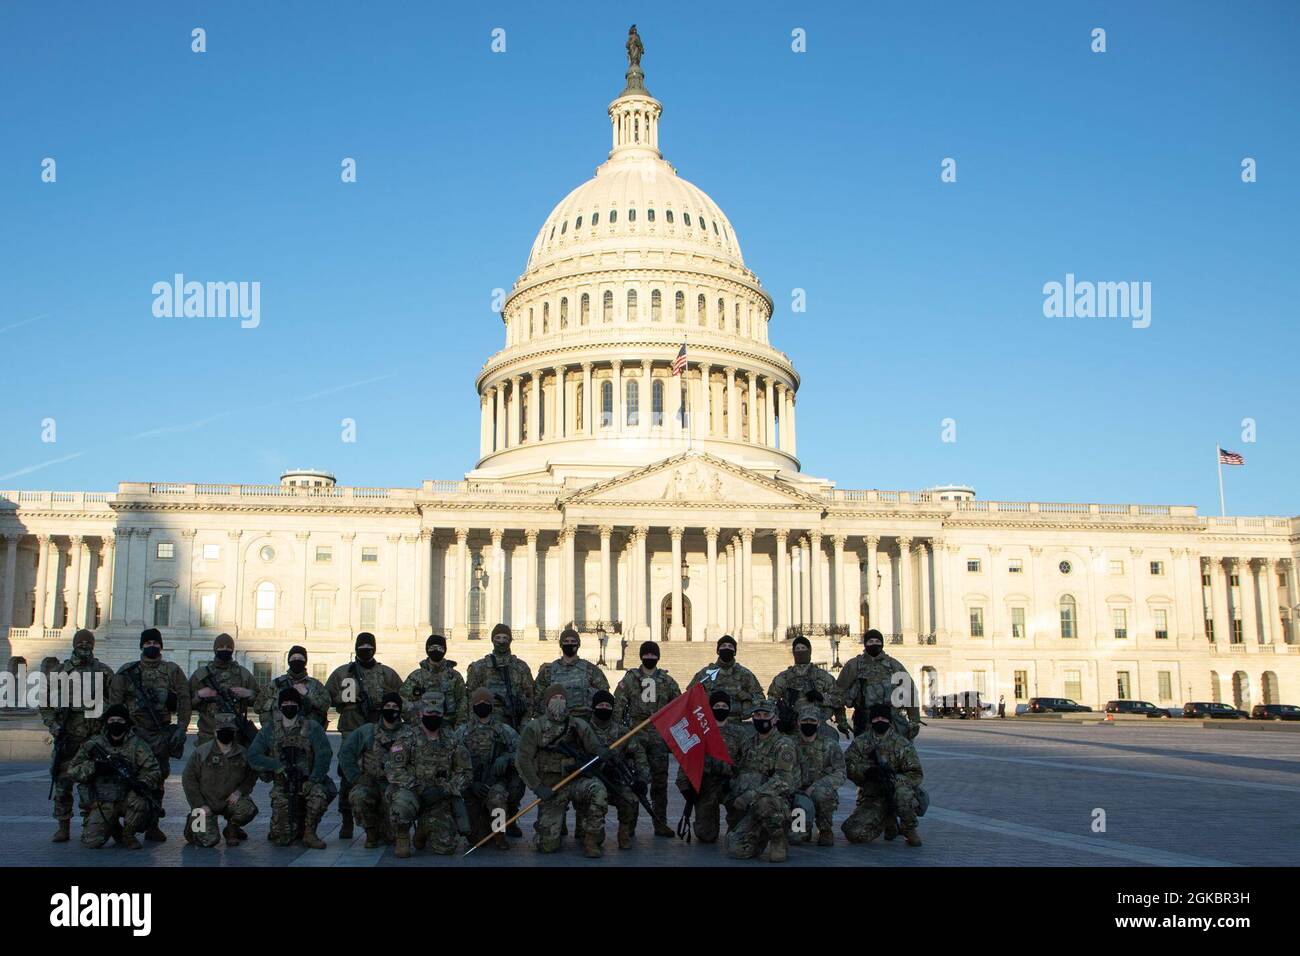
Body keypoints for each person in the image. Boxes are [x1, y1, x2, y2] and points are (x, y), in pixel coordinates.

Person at [108, 627, 190, 841]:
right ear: (141, 646)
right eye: (148, 643)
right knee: (128, 778)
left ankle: (153, 824)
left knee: (158, 779)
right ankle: (125, 824)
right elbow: (114, 705)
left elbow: (184, 698)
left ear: (160, 646)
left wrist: (182, 727)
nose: (151, 646)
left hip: (159, 734)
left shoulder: (171, 670)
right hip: (133, 735)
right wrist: (117, 732)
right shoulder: (127, 672)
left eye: (155, 643)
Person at [515, 684, 610, 857]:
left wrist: (602, 752)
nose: (558, 701)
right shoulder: (534, 728)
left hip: (576, 781)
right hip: (551, 788)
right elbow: (522, 760)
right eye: (554, 698)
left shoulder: (578, 725)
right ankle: (548, 828)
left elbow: (593, 747)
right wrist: (537, 787)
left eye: (562, 698)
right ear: (547, 702)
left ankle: (591, 838)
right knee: (547, 846)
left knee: (598, 790)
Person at [325, 632, 402, 839]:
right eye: (362, 646)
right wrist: (346, 700)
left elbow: (401, 697)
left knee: (382, 772)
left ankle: (382, 817)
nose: (366, 649)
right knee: (347, 774)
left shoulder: (387, 674)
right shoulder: (343, 673)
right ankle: (346, 819)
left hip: (379, 732)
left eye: (370, 645)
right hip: (350, 731)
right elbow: (326, 697)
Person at [41, 628, 114, 843]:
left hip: (92, 740)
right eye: (80, 642)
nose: (84, 645)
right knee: (62, 786)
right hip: (68, 738)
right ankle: (63, 826)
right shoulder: (60, 672)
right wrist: (54, 726)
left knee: (90, 787)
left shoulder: (103, 671)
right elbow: (46, 704)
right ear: (74, 645)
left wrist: (102, 717)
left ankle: (88, 826)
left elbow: (116, 701)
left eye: (88, 642)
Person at [465, 623, 534, 837]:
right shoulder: (479, 667)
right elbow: (470, 701)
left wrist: (522, 730)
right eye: (498, 637)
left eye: (505, 637)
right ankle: (486, 821)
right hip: (482, 734)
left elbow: (530, 701)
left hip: (510, 734)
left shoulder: (521, 668)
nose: (502, 641)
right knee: (483, 778)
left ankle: (509, 819)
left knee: (514, 781)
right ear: (492, 639)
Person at [385, 693, 472, 858]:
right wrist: (418, 787)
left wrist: (445, 789)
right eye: (429, 713)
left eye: (437, 714)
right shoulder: (407, 738)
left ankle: (424, 828)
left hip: (439, 797)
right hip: (411, 792)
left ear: (442, 714)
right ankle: (403, 836)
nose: (433, 717)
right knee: (400, 804)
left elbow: (465, 773)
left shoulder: (451, 739)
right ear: (420, 714)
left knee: (447, 847)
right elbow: (393, 770)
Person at [247, 687, 335, 849]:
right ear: (280, 707)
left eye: (293, 702)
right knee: (282, 839)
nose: (289, 705)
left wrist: (313, 780)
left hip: (309, 781)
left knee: (318, 796)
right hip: (283, 785)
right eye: (285, 703)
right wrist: (277, 766)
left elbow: (324, 755)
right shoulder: (270, 729)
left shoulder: (312, 727)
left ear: (299, 706)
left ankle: (310, 832)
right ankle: (287, 828)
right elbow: (253, 755)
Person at [66, 703, 162, 849]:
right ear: (106, 722)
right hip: (102, 800)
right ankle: (113, 826)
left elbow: (154, 770)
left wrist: (143, 783)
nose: (115, 723)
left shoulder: (137, 745)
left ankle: (128, 834)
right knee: (92, 841)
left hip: (127, 798)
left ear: (127, 723)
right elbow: (72, 771)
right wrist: (95, 767)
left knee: (141, 798)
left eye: (120, 720)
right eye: (111, 720)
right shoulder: (93, 744)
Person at [612, 640, 680, 836]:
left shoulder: (667, 681)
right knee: (634, 780)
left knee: (660, 783)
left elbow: (678, 706)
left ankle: (660, 823)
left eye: (653, 655)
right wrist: (619, 731)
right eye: (647, 654)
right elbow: (618, 704)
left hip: (658, 736)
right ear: (641, 656)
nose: (650, 658)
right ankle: (629, 825)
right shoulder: (631, 678)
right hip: (636, 734)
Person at [725, 699, 797, 862]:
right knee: (736, 848)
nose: (761, 718)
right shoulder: (748, 743)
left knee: (765, 803)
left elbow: (783, 779)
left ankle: (778, 837)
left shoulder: (784, 745)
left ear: (775, 719)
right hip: (749, 804)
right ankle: (760, 833)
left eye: (766, 715)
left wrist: (752, 795)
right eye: (757, 715)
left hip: (774, 802)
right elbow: (739, 770)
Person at [842, 703, 925, 847]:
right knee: (853, 833)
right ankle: (886, 820)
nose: (880, 720)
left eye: (883, 718)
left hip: (898, 792)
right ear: (871, 720)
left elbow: (916, 773)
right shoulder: (861, 742)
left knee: (902, 794)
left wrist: (895, 780)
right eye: (876, 718)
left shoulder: (902, 744)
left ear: (890, 720)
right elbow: (847, 765)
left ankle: (909, 828)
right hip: (873, 796)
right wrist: (866, 771)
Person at [675, 689, 751, 843]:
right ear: (710, 708)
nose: (721, 708)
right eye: (717, 705)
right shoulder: (699, 731)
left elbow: (747, 763)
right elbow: (688, 760)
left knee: (739, 815)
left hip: (731, 784)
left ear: (729, 708)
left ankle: (736, 830)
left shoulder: (740, 733)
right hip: (706, 785)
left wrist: (743, 786)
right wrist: (686, 788)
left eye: (724, 705)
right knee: (705, 835)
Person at [337, 692, 409, 848]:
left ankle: (397, 830)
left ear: (400, 710)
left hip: (396, 786)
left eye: (395, 706)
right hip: (371, 783)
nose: (391, 709)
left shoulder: (408, 733)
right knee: (358, 796)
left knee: (392, 837)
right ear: (382, 709)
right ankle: (370, 832)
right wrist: (356, 777)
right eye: (387, 706)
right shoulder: (367, 731)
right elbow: (345, 753)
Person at [456, 687, 521, 850]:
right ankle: (484, 823)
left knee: (497, 799)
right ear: (473, 706)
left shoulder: (505, 731)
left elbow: (523, 754)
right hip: (471, 787)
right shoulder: (462, 732)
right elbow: (451, 762)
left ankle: (499, 832)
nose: (482, 705)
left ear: (492, 705)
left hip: (496, 784)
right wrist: (471, 784)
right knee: (476, 839)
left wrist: (507, 758)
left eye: (486, 702)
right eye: (478, 702)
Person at [180, 713, 258, 847]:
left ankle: (232, 829)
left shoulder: (242, 753)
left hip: (230, 801)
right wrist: (200, 804)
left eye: (229, 731)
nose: (226, 734)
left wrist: (240, 792)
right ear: (216, 732)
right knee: (209, 841)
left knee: (248, 809)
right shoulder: (202, 752)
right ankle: (193, 824)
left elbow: (251, 776)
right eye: (222, 731)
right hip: (206, 804)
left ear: (234, 733)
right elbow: (189, 779)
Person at [589, 689, 652, 849]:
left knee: (630, 797)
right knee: (595, 798)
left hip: (618, 779)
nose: (604, 708)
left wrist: (642, 779)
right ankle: (592, 835)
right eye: (600, 705)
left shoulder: (622, 732)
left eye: (607, 705)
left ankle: (625, 833)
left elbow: (639, 754)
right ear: (594, 707)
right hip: (593, 779)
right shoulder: (585, 730)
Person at [836, 629, 920, 738]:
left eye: (877, 641)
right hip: (865, 720)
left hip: (891, 719)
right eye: (870, 641)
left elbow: (909, 690)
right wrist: (841, 719)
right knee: (864, 752)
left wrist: (914, 720)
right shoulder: (854, 665)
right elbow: (838, 691)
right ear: (865, 644)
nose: (874, 644)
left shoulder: (893, 665)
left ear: (882, 644)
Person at [768, 635, 850, 738]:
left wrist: (821, 697)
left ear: (809, 651)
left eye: (803, 648)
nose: (800, 651)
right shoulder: (784, 677)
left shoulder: (822, 676)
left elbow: (839, 698)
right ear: (793, 652)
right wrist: (778, 719)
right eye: (797, 649)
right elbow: (771, 701)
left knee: (831, 738)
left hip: (818, 725)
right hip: (791, 726)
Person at [790, 704, 846, 846]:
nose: (808, 724)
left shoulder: (830, 745)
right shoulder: (789, 744)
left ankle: (825, 829)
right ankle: (803, 828)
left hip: (817, 791)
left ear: (819, 723)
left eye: (812, 721)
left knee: (823, 794)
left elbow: (840, 772)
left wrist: (816, 787)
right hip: (796, 794)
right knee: (796, 839)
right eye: (805, 721)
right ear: (798, 722)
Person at [188, 633, 257, 747]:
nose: (225, 649)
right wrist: (199, 694)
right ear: (215, 649)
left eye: (228, 647)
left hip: (236, 736)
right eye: (221, 647)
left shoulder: (243, 674)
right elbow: (184, 703)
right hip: (208, 735)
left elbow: (261, 701)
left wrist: (249, 693)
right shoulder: (201, 674)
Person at [534, 628, 608, 721]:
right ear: (561, 644)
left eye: (573, 641)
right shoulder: (548, 671)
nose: (569, 644)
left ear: (578, 644)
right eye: (566, 641)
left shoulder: (591, 670)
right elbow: (537, 697)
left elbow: (604, 695)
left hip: (584, 721)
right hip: (555, 724)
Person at [400, 634, 468, 730]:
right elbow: (403, 700)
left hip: (448, 727)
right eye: (432, 647)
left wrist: (459, 727)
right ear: (427, 649)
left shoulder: (454, 677)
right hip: (421, 728)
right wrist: (415, 721)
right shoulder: (416, 676)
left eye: (440, 647)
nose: (436, 650)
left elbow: (462, 702)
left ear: (445, 650)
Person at [688, 636, 763, 722]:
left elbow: (760, 700)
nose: (727, 648)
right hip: (710, 723)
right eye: (723, 646)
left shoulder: (745, 674)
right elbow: (690, 696)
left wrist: (747, 699)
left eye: (730, 646)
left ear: (734, 652)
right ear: (718, 651)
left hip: (737, 723)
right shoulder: (705, 673)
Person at [255, 646, 330, 728]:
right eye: (293, 658)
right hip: (278, 734)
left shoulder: (316, 685)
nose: (296, 660)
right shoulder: (275, 684)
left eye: (300, 658)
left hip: (308, 734)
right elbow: (258, 707)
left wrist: (307, 694)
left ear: (305, 661)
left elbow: (326, 705)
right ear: (288, 661)